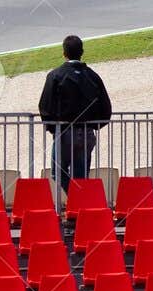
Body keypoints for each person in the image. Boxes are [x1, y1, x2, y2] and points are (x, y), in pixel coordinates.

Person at [37, 35, 112, 193]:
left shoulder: (56, 75)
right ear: (82, 52)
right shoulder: (92, 76)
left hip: (65, 131)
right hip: (87, 132)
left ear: (64, 53)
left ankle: (76, 200)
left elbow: (45, 105)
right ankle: (79, 202)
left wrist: (53, 128)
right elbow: (105, 106)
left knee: (58, 172)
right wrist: (95, 125)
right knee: (81, 176)